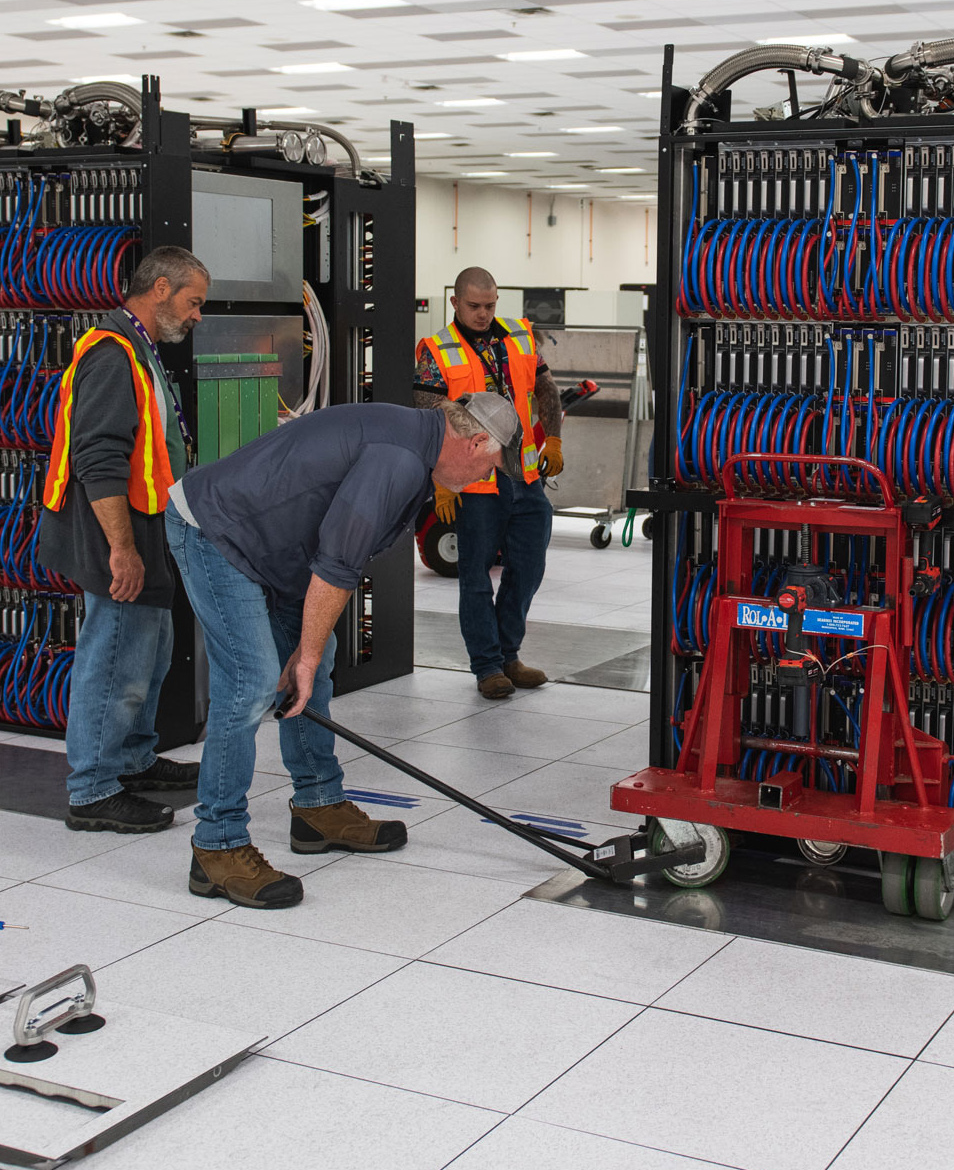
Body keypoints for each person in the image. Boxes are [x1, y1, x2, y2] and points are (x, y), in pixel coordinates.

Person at [165, 392, 518, 908]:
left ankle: (318, 808)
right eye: (491, 462)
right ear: (476, 440)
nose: (486, 474)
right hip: (218, 532)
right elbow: (338, 563)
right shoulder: (398, 458)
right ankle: (217, 845)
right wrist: (299, 659)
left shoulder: (415, 447)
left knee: (319, 659)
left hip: (279, 546)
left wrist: (310, 654)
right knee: (253, 681)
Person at [37, 246, 209, 833]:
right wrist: (123, 549)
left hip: (143, 526)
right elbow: (100, 459)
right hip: (113, 532)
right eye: (193, 302)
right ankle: (91, 790)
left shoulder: (140, 350)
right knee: (114, 659)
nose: (197, 316)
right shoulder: (113, 355)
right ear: (159, 289)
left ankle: (132, 760)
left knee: (149, 652)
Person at [414, 267, 565, 700]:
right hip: (474, 482)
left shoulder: (519, 335)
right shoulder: (436, 350)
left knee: (528, 566)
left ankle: (508, 655)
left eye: (490, 305)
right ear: (456, 303)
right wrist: (441, 478)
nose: (483, 314)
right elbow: (428, 413)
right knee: (475, 575)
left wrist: (552, 437)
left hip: (524, 475)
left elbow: (547, 389)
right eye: (475, 306)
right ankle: (487, 666)